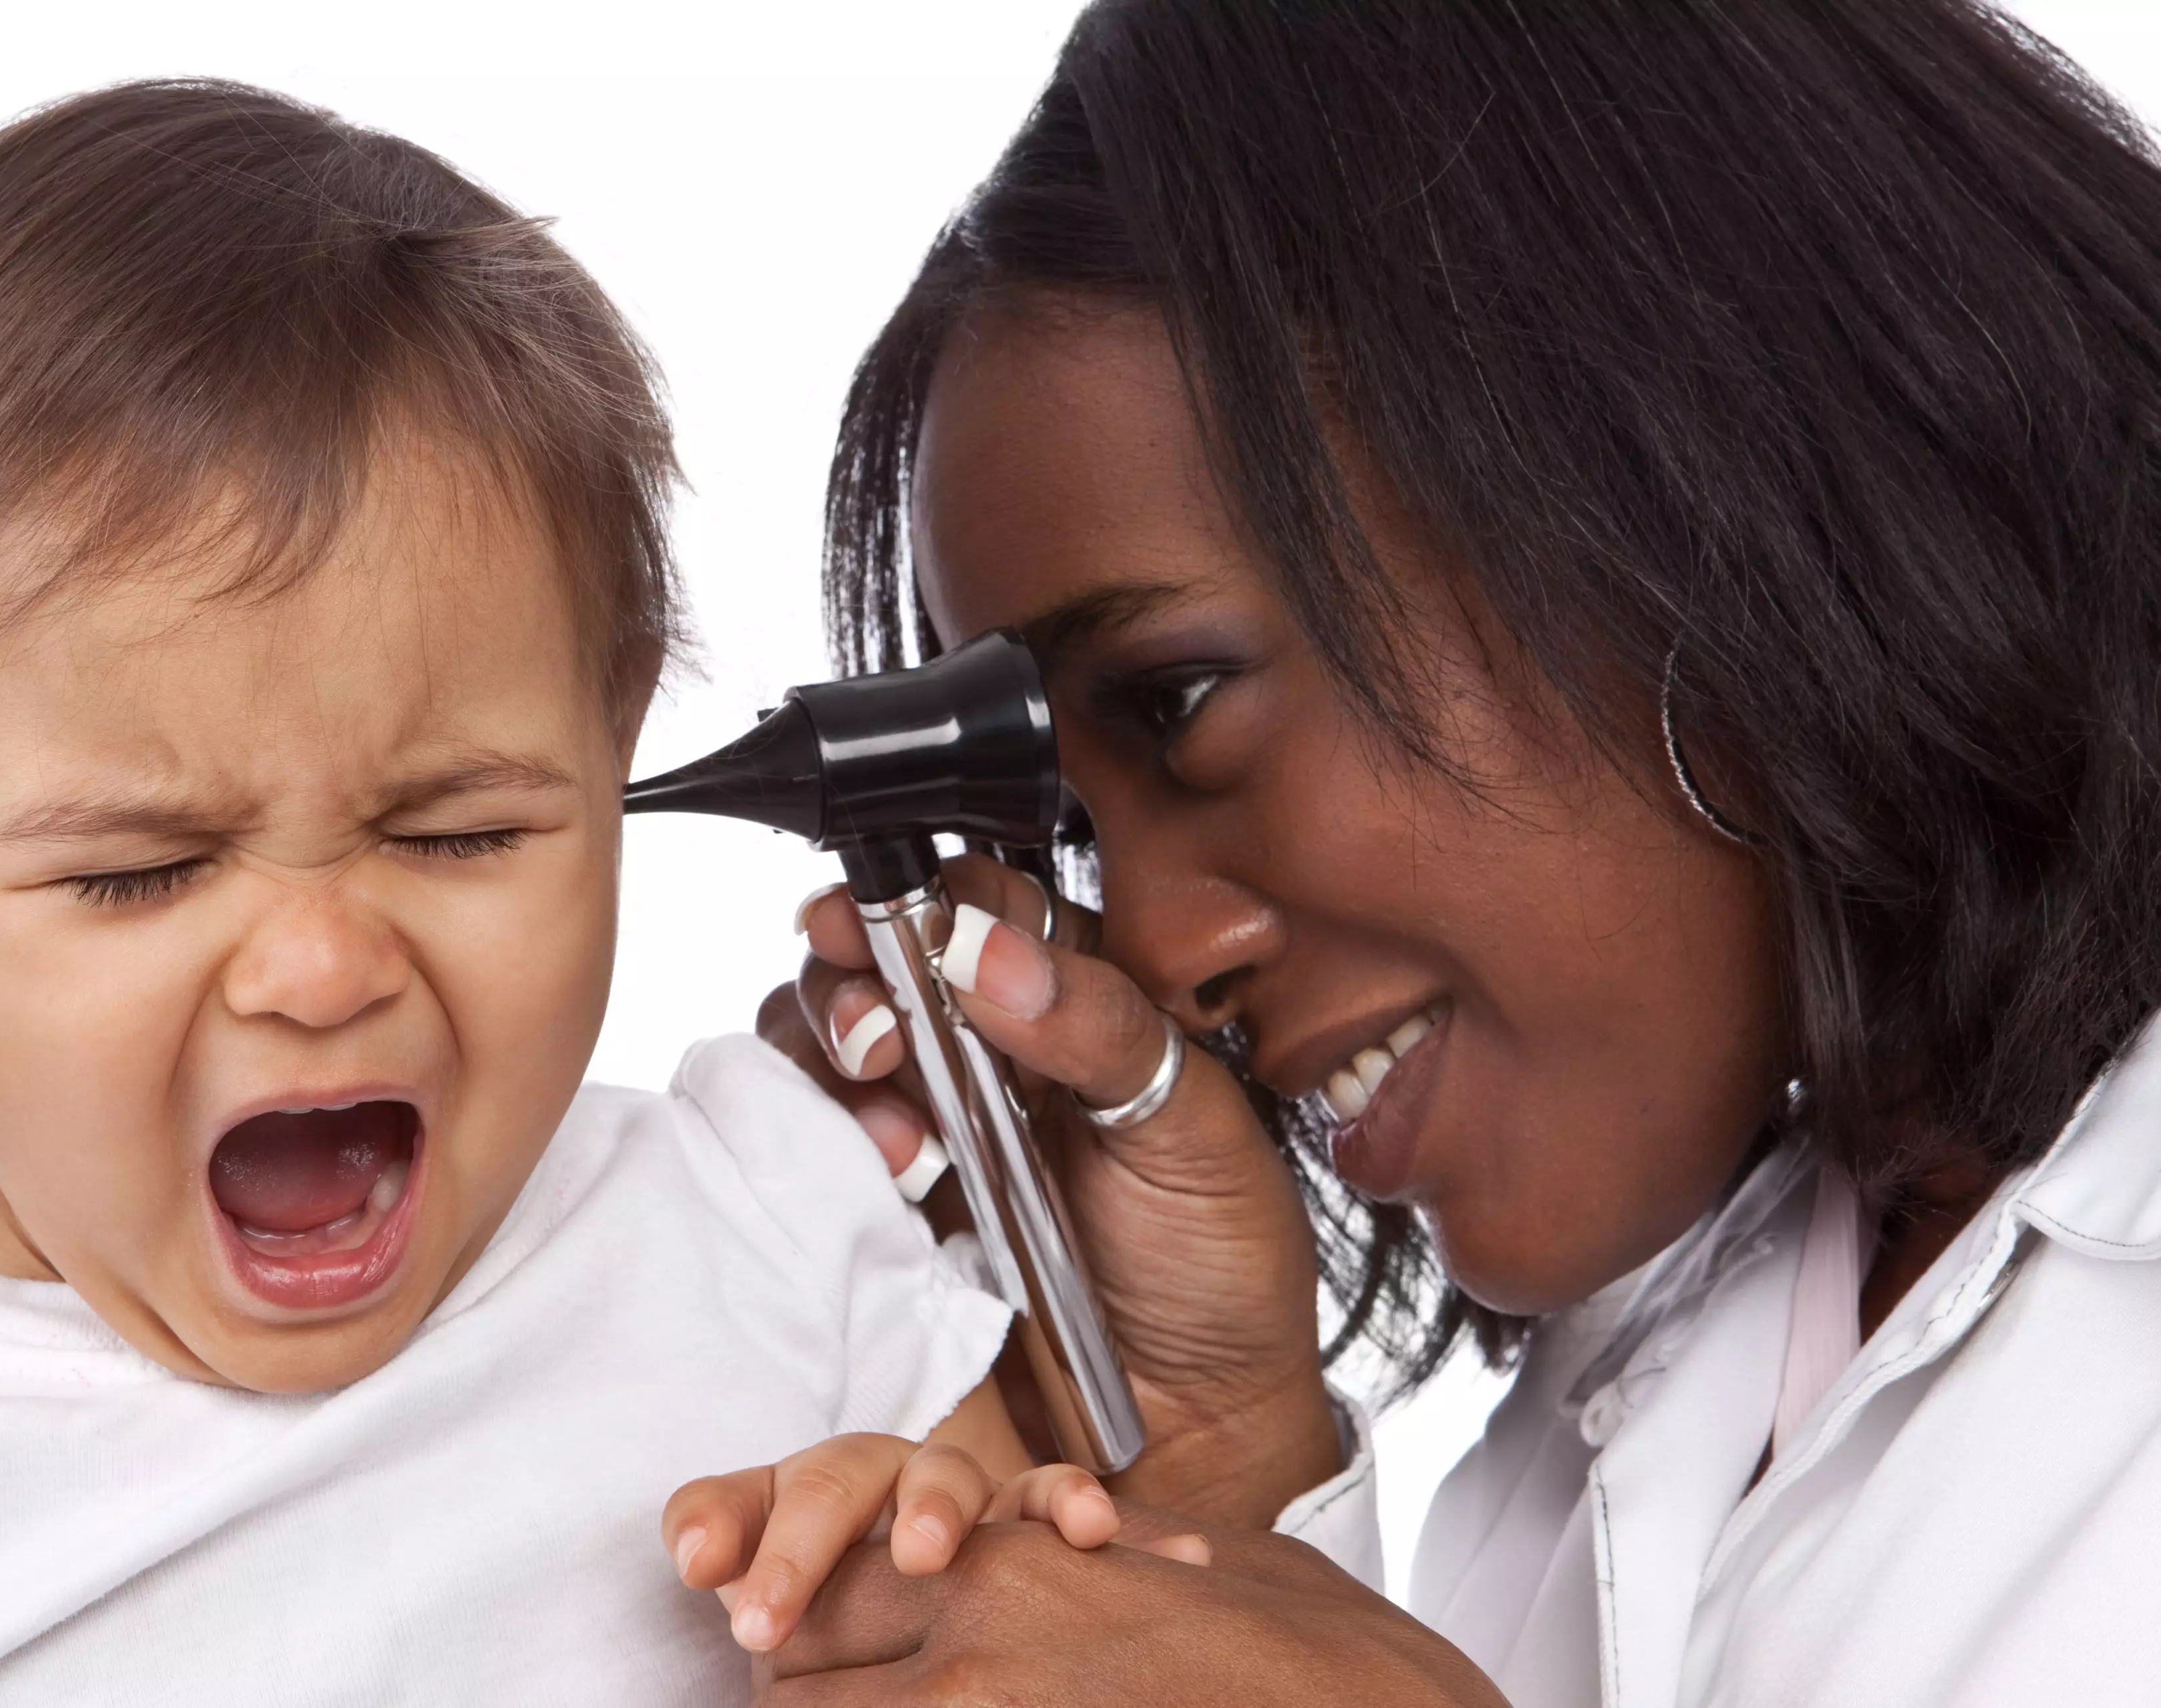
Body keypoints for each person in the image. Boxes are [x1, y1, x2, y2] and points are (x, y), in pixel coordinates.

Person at [683, 2, 2161, 1703]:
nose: (1155, 950)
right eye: (1080, 827)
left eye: (1179, 703)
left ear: (1671, 468)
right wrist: (1211, 1493)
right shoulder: (1614, 1435)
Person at [0, 80, 1120, 1705]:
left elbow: (1093, 1639)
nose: (322, 968)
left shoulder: (772, 1234)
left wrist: (964, 1569)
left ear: (608, 738)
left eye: (459, 830)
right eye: (140, 870)